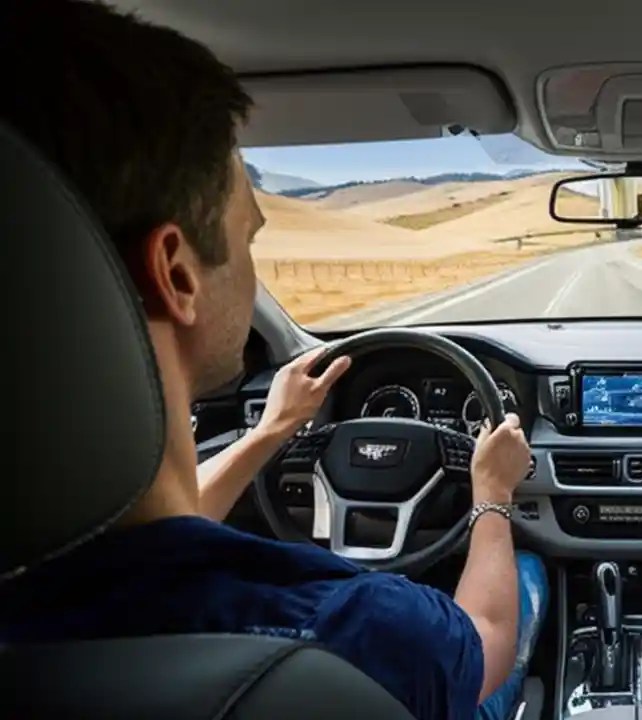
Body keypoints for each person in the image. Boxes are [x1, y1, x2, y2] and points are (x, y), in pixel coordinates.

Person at [0, 3, 543, 720]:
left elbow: (158, 531)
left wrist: (269, 432)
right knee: (529, 583)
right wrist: (492, 497)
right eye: (249, 236)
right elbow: (489, 640)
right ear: (178, 274)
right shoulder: (354, 624)